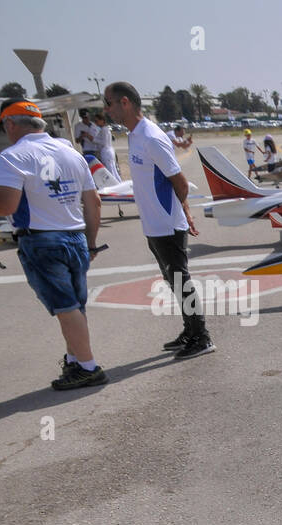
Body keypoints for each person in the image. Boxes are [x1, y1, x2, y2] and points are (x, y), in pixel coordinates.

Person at [0, 99, 107, 389]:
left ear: (10, 124)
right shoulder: (70, 152)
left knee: (65, 307)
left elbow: (6, 206)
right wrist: (91, 242)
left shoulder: (11, 156)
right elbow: (93, 202)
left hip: (42, 239)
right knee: (74, 307)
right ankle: (75, 361)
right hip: (76, 237)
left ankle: (89, 367)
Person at [103, 81, 214, 360]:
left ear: (125, 102)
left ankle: (201, 337)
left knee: (180, 280)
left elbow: (180, 182)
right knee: (172, 280)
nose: (106, 110)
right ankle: (190, 330)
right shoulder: (135, 135)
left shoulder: (151, 137)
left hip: (166, 224)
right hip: (153, 224)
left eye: (109, 103)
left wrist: (183, 212)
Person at [89, 113, 119, 182]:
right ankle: (118, 183)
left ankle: (114, 184)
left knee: (110, 171)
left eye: (97, 121)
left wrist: (93, 139)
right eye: (95, 121)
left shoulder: (104, 130)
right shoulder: (104, 129)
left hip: (106, 151)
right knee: (113, 170)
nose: (95, 123)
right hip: (108, 151)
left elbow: (104, 142)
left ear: (102, 120)